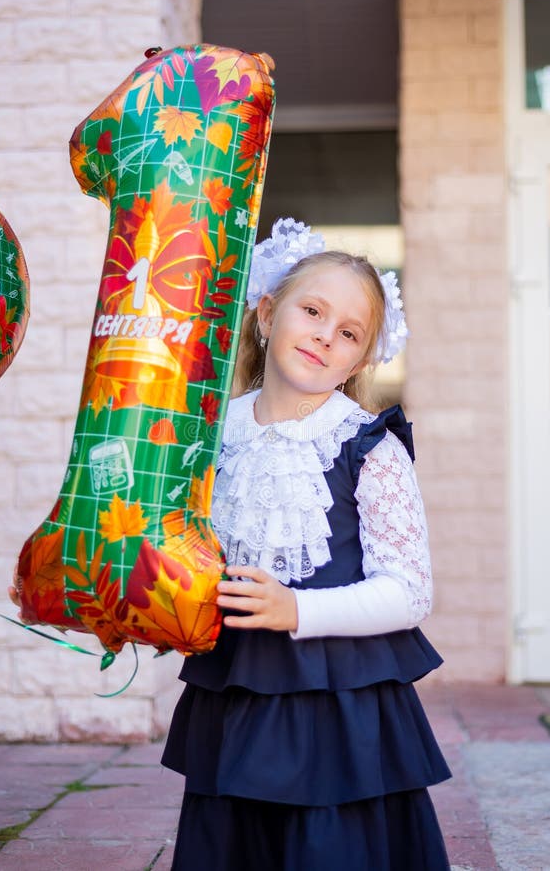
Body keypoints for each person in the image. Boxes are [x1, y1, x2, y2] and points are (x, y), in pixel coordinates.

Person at [161, 218, 452, 871]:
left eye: (348, 332)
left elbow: (409, 592)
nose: (325, 334)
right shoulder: (208, 433)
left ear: (361, 358)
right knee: (229, 840)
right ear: (266, 313)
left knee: (327, 849)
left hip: (337, 708)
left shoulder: (366, 447)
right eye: (312, 311)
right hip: (233, 690)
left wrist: (298, 609)